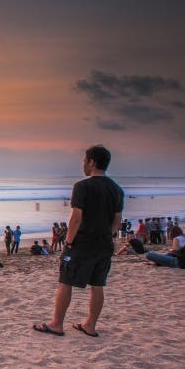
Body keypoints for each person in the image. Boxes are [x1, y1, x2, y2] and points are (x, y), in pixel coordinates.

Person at [34, 145, 124, 338]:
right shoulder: (116, 189)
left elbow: (76, 217)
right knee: (98, 284)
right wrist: (106, 234)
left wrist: (68, 241)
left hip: (82, 243)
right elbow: (118, 221)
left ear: (92, 162)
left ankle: (57, 324)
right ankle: (90, 325)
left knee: (66, 281)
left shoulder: (82, 186)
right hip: (104, 243)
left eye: (84, 160)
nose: (83, 164)